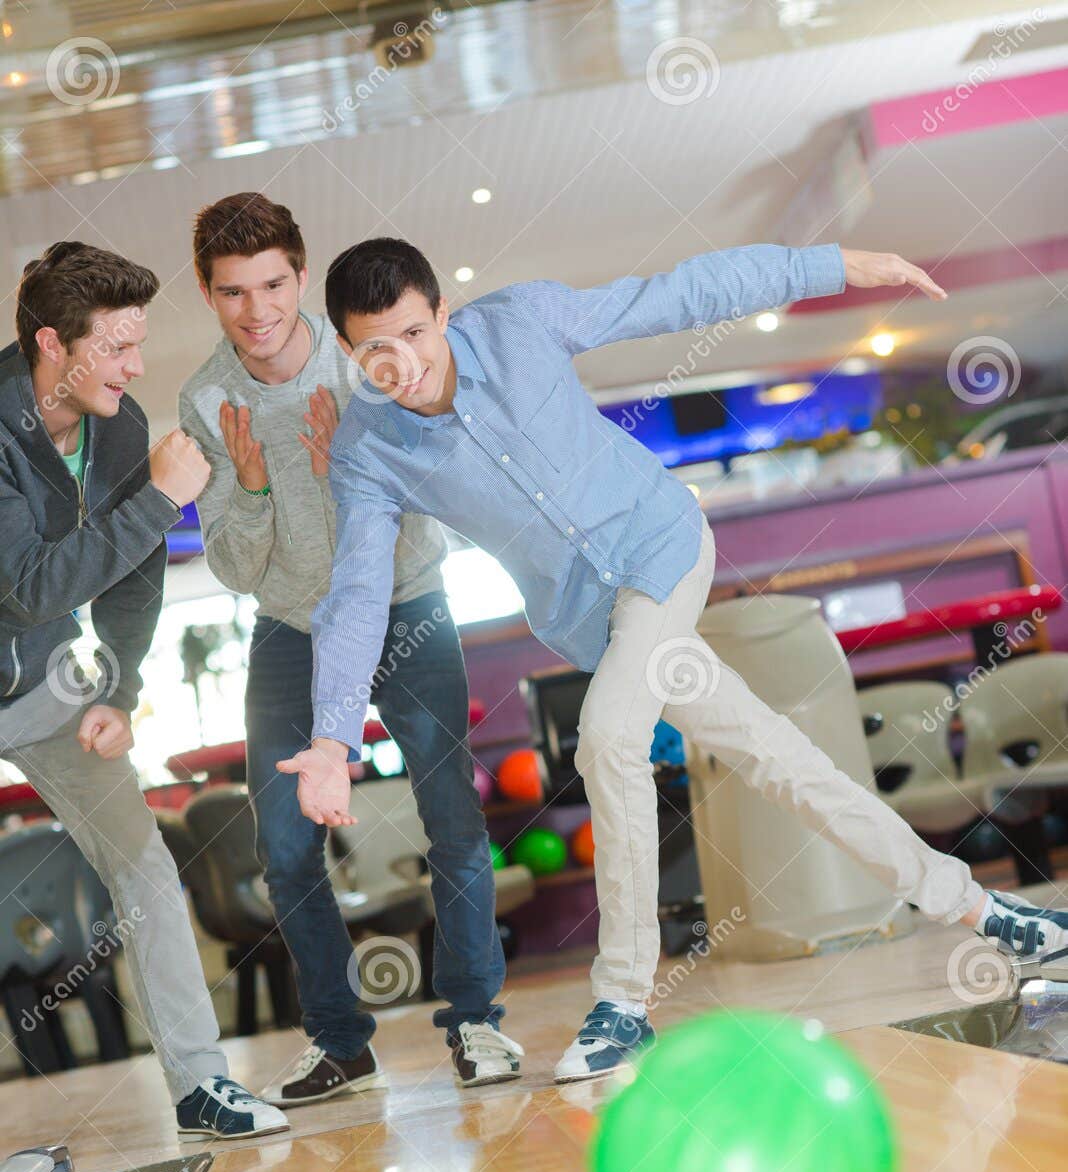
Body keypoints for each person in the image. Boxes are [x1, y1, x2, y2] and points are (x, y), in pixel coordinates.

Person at [286, 235, 1068, 1082]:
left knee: (609, 741)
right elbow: (358, 593)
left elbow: (675, 294)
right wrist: (334, 740)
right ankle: (986, 910)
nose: (398, 362)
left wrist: (831, 267)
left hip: (663, 550)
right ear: (344, 347)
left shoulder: (520, 322)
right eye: (373, 348)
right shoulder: (367, 449)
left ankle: (621, 1002)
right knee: (781, 760)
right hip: (595, 620)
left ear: (442, 312)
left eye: (413, 333)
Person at [179, 194, 522, 1099]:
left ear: (300, 272)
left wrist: (349, 478)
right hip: (291, 627)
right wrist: (252, 492)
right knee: (285, 850)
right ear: (208, 295)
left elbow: (434, 504)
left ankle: (477, 1022)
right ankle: (340, 1040)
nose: (257, 311)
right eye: (232, 292)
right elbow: (232, 567)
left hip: (409, 606)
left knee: (450, 812)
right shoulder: (206, 400)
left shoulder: (364, 359)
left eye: (273, 284)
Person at [0, 241, 288, 1138]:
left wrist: (119, 690)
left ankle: (202, 1089)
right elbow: (26, 585)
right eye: (117, 348)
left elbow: (132, 576)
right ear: (54, 343)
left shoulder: (116, 426)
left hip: (40, 677)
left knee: (144, 865)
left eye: (138, 344)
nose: (134, 366)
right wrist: (163, 499)